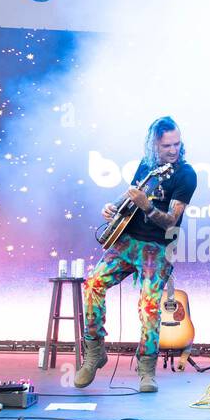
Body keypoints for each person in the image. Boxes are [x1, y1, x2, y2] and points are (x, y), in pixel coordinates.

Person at [75, 117, 196, 393]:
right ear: (154, 144)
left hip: (157, 245)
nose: (174, 149)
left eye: (177, 144)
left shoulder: (186, 174)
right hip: (128, 240)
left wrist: (148, 208)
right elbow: (130, 198)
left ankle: (146, 369)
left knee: (149, 305)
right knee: (93, 284)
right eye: (167, 145)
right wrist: (112, 207)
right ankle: (94, 352)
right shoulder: (146, 165)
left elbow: (171, 221)